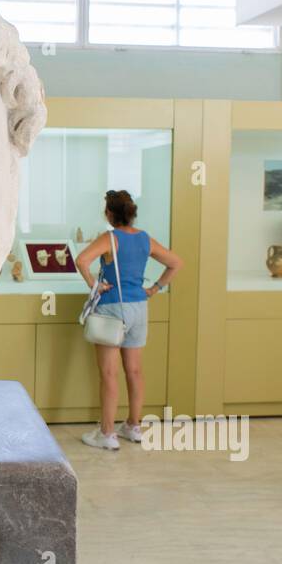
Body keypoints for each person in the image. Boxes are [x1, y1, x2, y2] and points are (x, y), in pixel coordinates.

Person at [75, 190, 182, 451]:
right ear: (131, 214)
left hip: (113, 308)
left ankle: (107, 433)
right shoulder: (145, 239)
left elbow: (82, 260)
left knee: (109, 373)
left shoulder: (110, 238)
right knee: (134, 371)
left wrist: (94, 285)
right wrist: (155, 288)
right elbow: (175, 263)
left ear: (110, 214)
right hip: (139, 308)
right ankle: (134, 427)